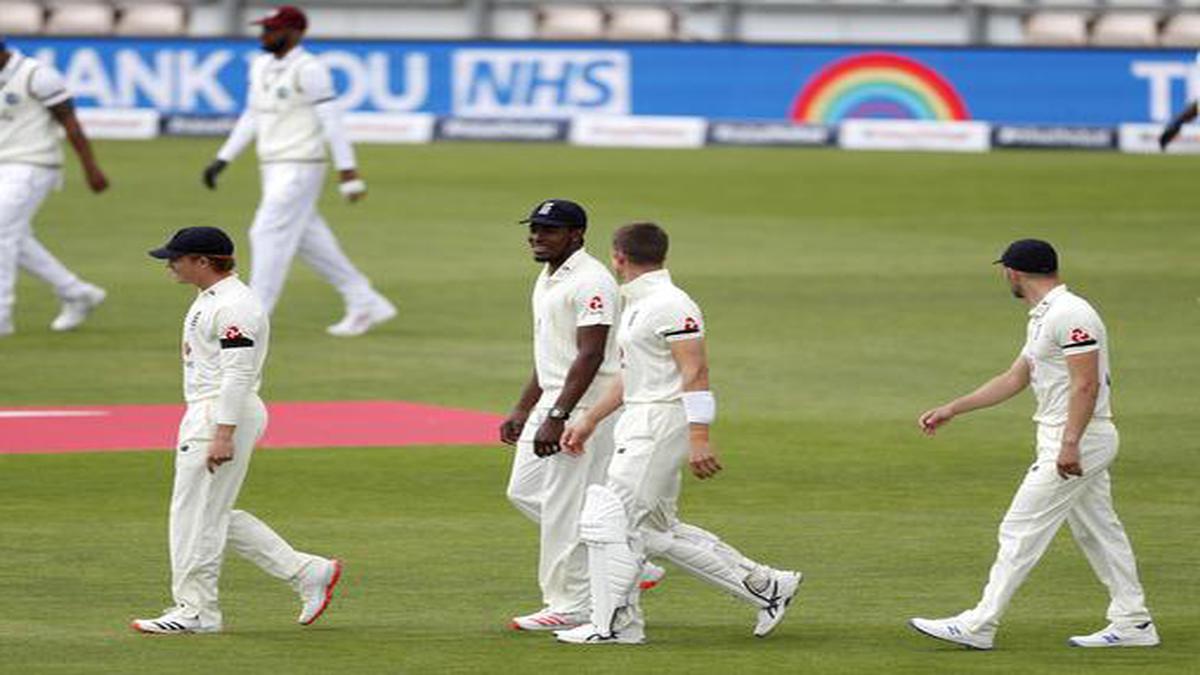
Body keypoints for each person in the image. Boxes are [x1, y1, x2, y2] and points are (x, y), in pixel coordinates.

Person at [557, 222, 801, 645]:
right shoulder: (638, 302)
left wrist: (699, 436)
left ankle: (616, 627)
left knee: (613, 523)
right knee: (655, 530)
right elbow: (633, 375)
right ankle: (765, 584)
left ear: (618, 256)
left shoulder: (670, 304)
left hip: (660, 422)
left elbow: (696, 370)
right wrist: (590, 418)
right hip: (641, 418)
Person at [909, 239, 1158, 650]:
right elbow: (1015, 377)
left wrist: (1070, 444)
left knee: (1020, 529)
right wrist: (953, 408)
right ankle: (1133, 621)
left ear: (1014, 273)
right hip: (1069, 437)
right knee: (1099, 532)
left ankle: (979, 623)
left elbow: (1086, 383)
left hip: (1080, 438)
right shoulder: (1045, 315)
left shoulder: (1072, 313)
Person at [132, 226, 342, 634]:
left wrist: (222, 433)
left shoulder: (235, 306)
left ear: (203, 262)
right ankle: (305, 571)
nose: (170, 265)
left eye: (176, 258)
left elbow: (237, 373)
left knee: (195, 517)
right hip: (212, 410)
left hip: (220, 411)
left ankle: (196, 612)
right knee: (209, 512)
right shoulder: (212, 298)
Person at [502, 199, 660, 632]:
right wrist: (523, 405)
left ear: (577, 235)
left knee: (563, 505)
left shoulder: (592, 281)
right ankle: (621, 557)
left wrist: (559, 414)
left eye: (549, 230)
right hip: (553, 401)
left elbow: (590, 355)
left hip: (583, 408)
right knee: (525, 491)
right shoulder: (548, 275)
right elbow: (551, 351)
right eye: (534, 228)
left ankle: (570, 604)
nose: (537, 236)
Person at [202, 5, 396, 337]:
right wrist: (223, 158)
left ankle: (253, 319)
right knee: (309, 240)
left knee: (266, 232)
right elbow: (253, 115)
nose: (264, 35)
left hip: (302, 165)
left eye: (271, 29)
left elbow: (331, 120)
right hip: (271, 165)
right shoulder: (261, 65)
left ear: (295, 33)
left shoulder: (310, 69)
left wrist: (348, 170)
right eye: (263, 28)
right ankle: (365, 300)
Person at [0, 39, 108, 337]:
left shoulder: (37, 75)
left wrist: (91, 168)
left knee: (2, 234)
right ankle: (77, 292)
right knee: (15, 238)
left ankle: (2, 316)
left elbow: (71, 124)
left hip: (34, 164)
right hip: (3, 165)